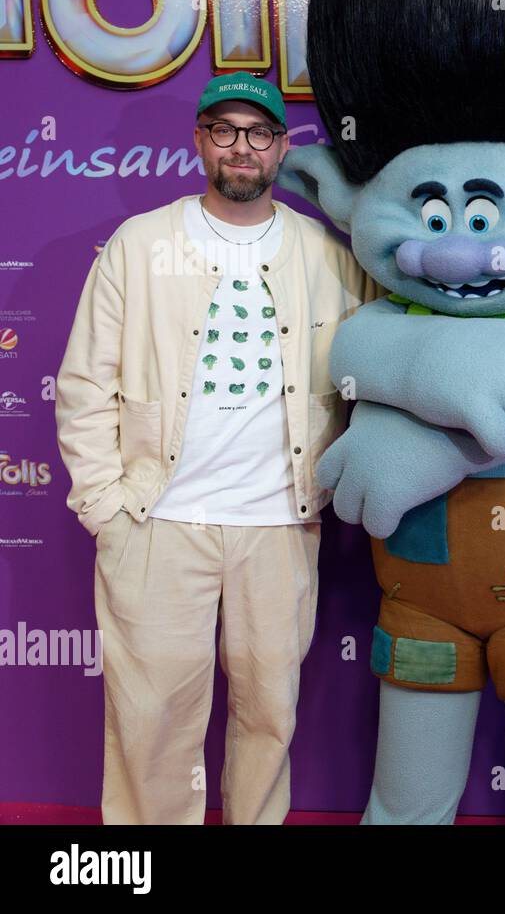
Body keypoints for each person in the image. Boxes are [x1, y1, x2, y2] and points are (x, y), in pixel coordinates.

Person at [54, 71, 380, 824]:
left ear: (280, 148)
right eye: (226, 130)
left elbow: (378, 372)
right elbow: (83, 386)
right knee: (152, 721)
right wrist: (106, 505)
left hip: (280, 523)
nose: (243, 147)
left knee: (270, 716)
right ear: (201, 140)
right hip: (157, 521)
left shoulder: (328, 257)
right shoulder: (140, 247)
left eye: (259, 132)